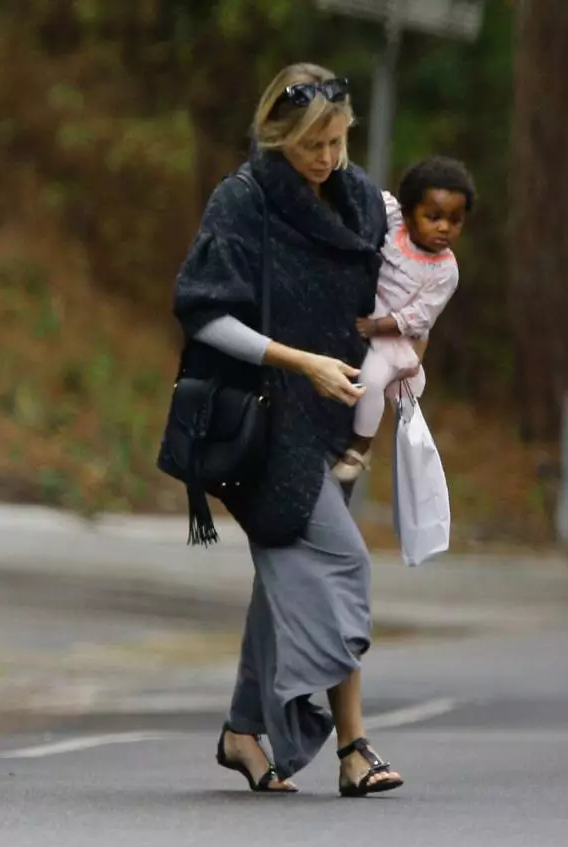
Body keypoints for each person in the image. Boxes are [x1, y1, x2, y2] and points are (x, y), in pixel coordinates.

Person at [169, 62, 404, 796]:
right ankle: (353, 748)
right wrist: (301, 362)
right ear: (276, 135)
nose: (331, 158)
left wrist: (402, 347)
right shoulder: (241, 203)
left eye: (340, 140)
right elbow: (204, 310)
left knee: (284, 581)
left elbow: (388, 290)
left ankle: (244, 731)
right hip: (258, 423)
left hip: (328, 414)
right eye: (314, 145)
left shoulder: (361, 201)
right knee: (342, 566)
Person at [331, 156, 476, 481]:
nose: (444, 227)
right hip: (361, 311)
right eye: (433, 216)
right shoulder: (394, 224)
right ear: (409, 212)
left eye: (455, 220)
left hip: (392, 338)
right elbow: (372, 195)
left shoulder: (444, 270)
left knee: (370, 380)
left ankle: (361, 446)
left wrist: (378, 326)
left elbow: (420, 316)